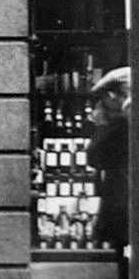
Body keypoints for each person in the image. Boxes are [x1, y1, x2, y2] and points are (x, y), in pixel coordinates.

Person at [87, 66, 129, 272]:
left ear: (113, 96)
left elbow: (92, 156)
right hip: (126, 201)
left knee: (124, 260)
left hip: (123, 202)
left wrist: (101, 126)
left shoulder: (120, 123)